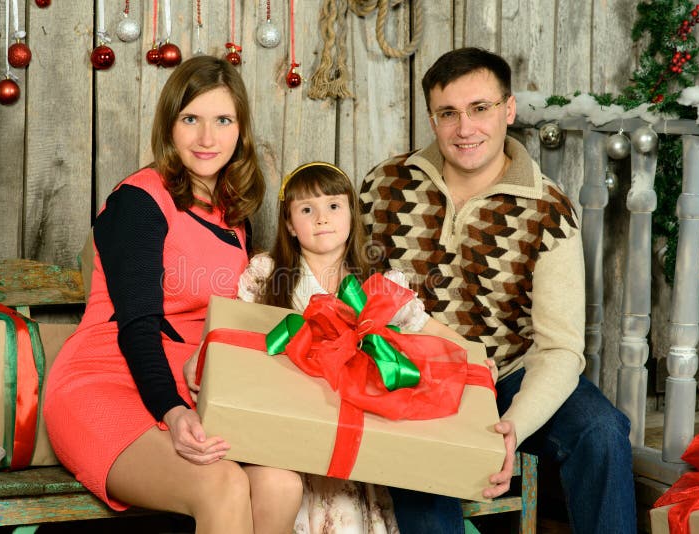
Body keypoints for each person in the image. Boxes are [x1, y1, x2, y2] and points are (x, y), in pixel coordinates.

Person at [359, 47, 636, 534]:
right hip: (415, 372)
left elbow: (560, 349)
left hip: (510, 374)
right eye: (449, 113)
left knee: (602, 430)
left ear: (508, 109)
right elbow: (356, 292)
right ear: (433, 118)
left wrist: (513, 427)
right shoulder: (384, 187)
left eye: (480, 108)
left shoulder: (549, 211)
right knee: (422, 473)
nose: (465, 129)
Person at [43, 55, 303, 534]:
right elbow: (138, 325)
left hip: (193, 389)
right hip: (111, 385)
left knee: (282, 484)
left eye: (222, 120)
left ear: (240, 130)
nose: (207, 138)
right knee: (221, 485)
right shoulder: (139, 201)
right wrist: (174, 409)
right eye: (191, 119)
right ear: (169, 125)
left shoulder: (233, 217)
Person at [228, 161, 494, 534]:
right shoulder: (269, 276)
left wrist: (477, 361)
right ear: (289, 224)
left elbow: (427, 329)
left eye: (333, 206)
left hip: (354, 434)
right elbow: (239, 337)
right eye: (307, 210)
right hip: (287, 435)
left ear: (352, 214)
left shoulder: (375, 285)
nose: (322, 218)